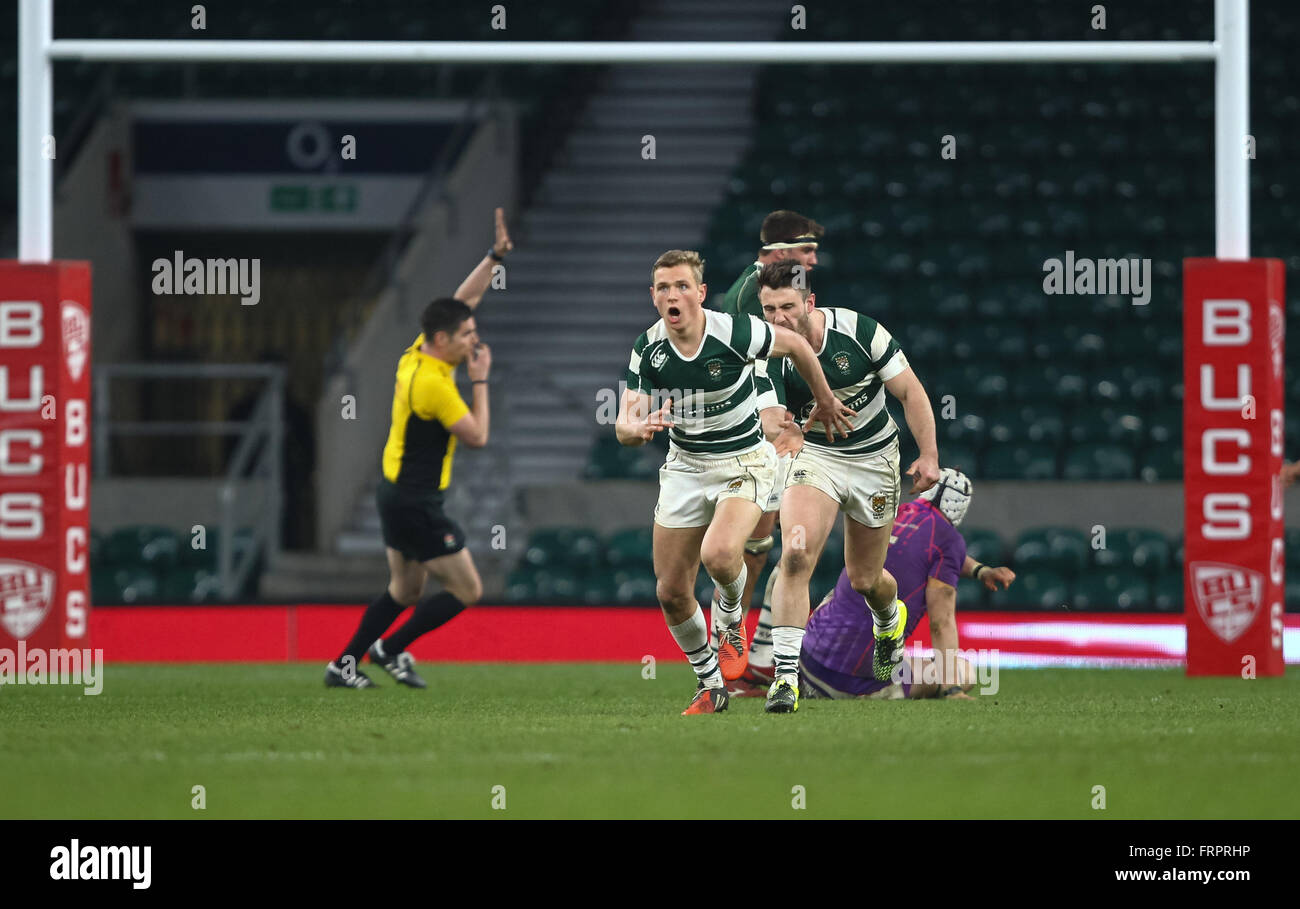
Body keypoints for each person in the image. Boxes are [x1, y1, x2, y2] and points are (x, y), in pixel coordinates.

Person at [616, 249, 854, 715]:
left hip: (743, 462)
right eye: (663, 287)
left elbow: (800, 347)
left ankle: (729, 617)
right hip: (685, 467)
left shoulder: (734, 332)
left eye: (682, 285)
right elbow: (626, 420)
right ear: (653, 296)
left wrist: (824, 400)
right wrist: (634, 430)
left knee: (720, 554)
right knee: (670, 590)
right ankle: (710, 685)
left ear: (700, 293)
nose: (673, 294)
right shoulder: (649, 347)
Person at [325, 208, 513, 689]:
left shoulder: (418, 354)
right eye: (468, 337)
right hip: (416, 501)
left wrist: (493, 258)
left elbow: (460, 301)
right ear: (444, 340)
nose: (475, 340)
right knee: (469, 589)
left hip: (394, 492)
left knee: (405, 589)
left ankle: (345, 664)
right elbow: (477, 436)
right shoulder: (435, 386)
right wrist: (481, 380)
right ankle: (388, 649)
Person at [757, 260, 941, 713]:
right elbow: (767, 417)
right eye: (768, 310)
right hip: (816, 458)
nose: (778, 319)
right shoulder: (764, 353)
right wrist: (786, 431)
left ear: (809, 303)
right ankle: (785, 677)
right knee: (795, 555)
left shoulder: (859, 331)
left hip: (874, 461)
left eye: (786, 307)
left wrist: (929, 455)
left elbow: (910, 392)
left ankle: (887, 620)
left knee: (865, 579)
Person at [711, 210, 826, 684]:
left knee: (769, 545)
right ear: (781, 252)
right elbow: (753, 367)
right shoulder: (751, 297)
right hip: (750, 433)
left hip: (765, 428)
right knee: (754, 548)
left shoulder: (762, 288)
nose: (814, 260)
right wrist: (777, 423)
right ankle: (730, 651)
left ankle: (751, 654)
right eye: (807, 250)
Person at [798, 468, 1017, 700]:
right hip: (849, 686)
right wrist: (951, 688)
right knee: (965, 671)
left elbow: (930, 554)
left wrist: (979, 570)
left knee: (838, 596)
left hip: (808, 664)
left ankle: (787, 669)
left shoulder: (898, 513)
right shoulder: (947, 540)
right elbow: (940, 622)